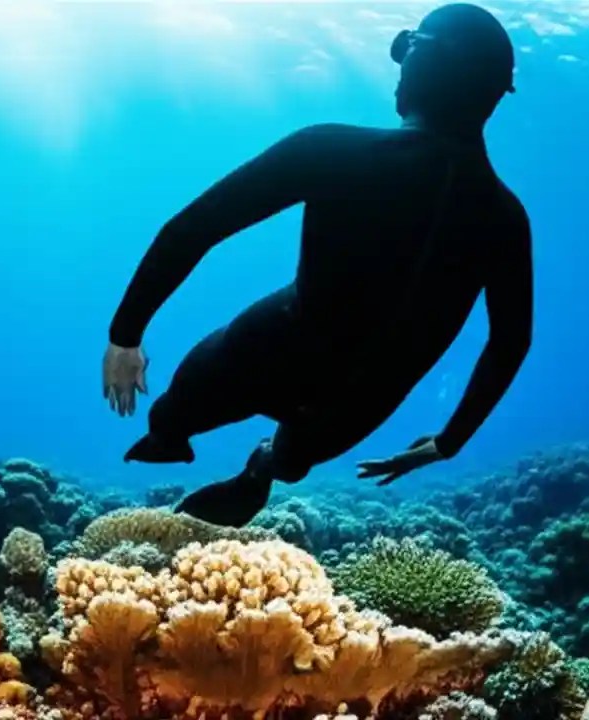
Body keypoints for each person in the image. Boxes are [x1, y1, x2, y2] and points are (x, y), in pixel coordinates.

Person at [101, 2, 533, 528]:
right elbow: (510, 344)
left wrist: (126, 336)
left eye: (406, 46)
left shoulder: (334, 149)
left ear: (431, 60)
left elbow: (194, 227)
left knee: (170, 419)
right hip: (356, 409)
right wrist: (449, 441)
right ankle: (260, 469)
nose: (397, 63)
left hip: (268, 348)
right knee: (289, 460)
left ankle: (178, 440)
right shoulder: (506, 219)